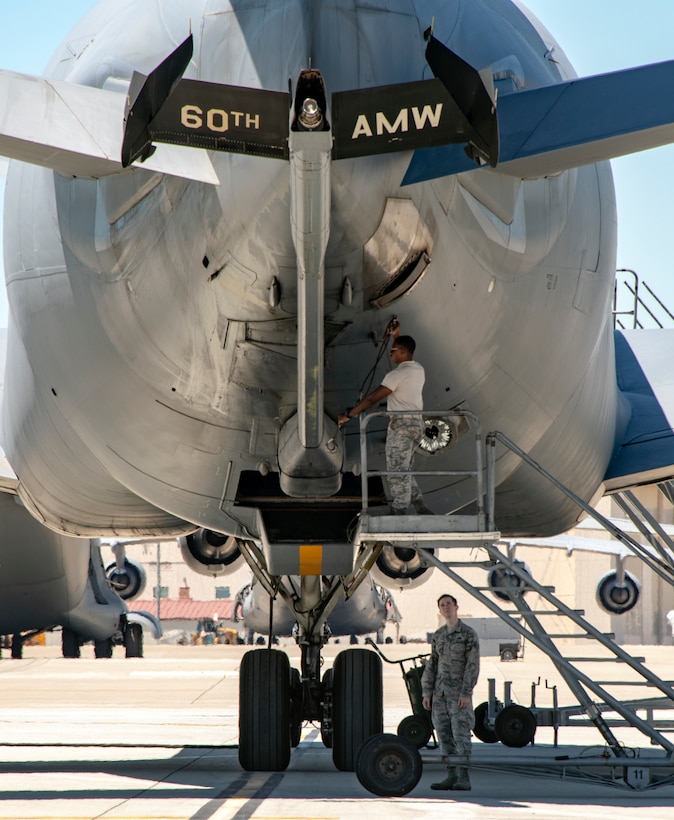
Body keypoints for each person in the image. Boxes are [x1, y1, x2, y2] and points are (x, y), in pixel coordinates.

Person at [338, 319, 432, 514]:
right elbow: (404, 350)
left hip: (402, 426)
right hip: (417, 425)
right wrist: (396, 336)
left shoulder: (395, 376)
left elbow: (372, 398)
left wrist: (349, 415)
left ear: (403, 353)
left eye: (394, 350)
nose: (391, 353)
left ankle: (399, 509)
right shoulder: (418, 370)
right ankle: (420, 505)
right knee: (405, 468)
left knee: (396, 470)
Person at [421, 594, 480, 791]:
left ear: (456, 607)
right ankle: (451, 775)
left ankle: (463, 777)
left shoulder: (468, 634)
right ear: (440, 610)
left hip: (458, 696)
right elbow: (433, 664)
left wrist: (466, 692)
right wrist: (426, 692)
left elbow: (472, 665)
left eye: (449, 604)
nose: (446, 608)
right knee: (444, 736)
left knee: (461, 735)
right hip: (440, 696)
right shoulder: (438, 635)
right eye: (442, 605)